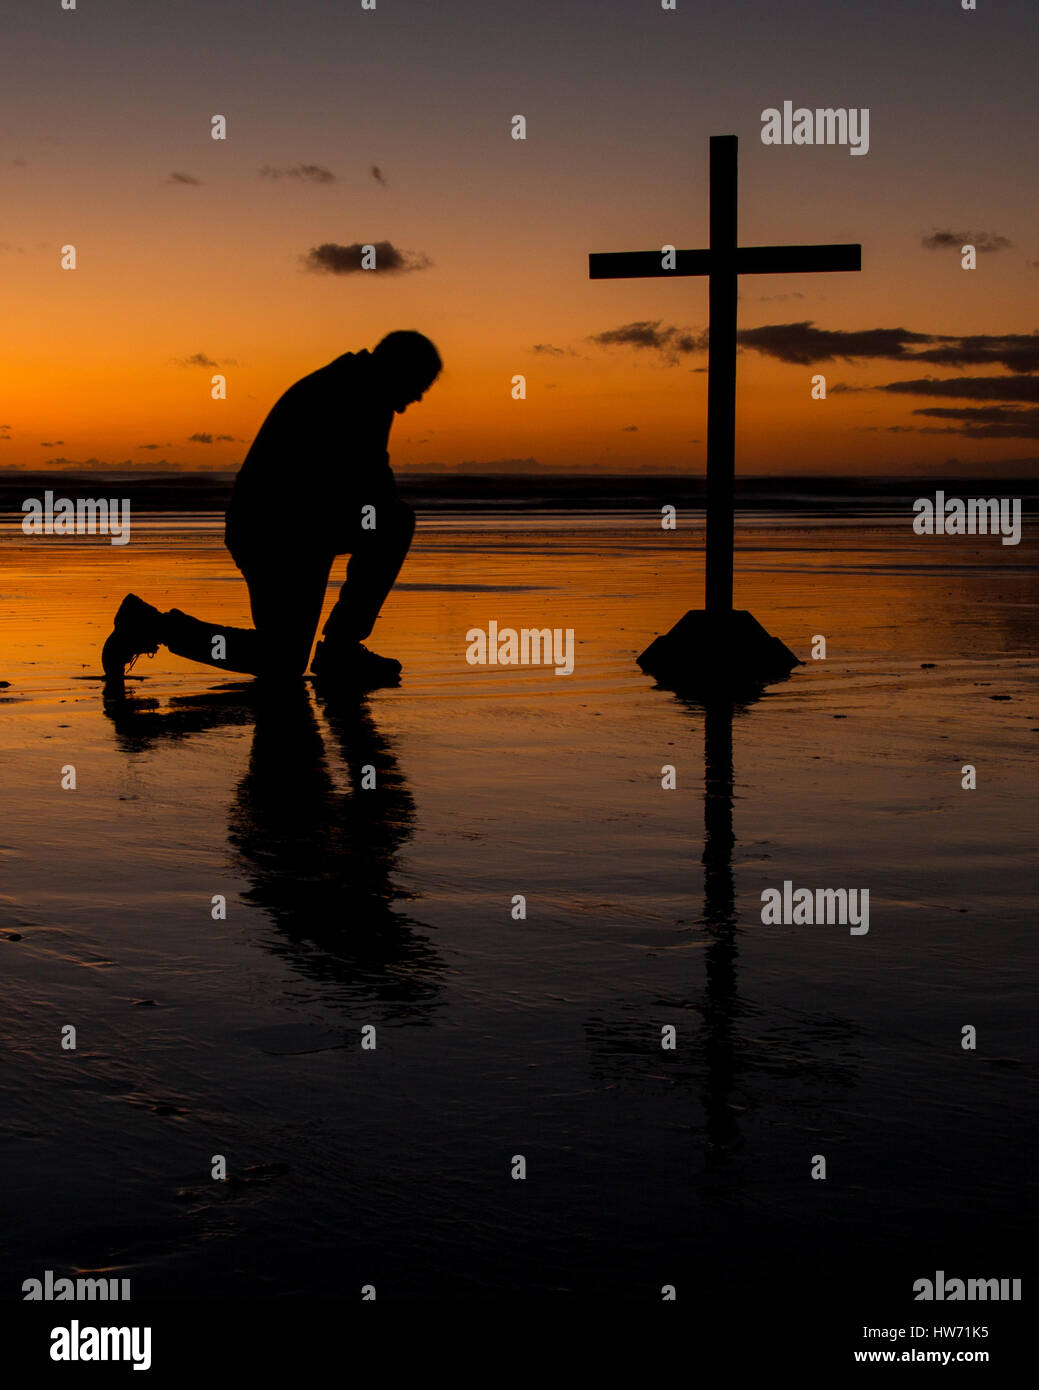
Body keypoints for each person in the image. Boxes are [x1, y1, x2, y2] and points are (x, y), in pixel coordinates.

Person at [101, 330, 441, 688]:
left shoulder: (363, 386)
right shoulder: (358, 392)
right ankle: (154, 626)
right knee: (282, 657)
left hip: (302, 528)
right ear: (399, 368)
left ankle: (341, 647)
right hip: (273, 533)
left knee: (282, 658)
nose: (417, 397)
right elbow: (373, 481)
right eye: (420, 384)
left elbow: (367, 482)